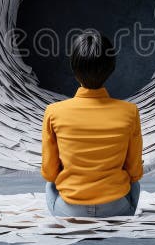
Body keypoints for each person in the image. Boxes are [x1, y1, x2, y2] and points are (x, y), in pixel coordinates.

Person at [41, 29, 143, 218]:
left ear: (74, 68)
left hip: (68, 210)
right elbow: (135, 172)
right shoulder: (130, 111)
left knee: (50, 184)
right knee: (134, 183)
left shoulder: (53, 112)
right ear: (111, 68)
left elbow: (49, 173)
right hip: (117, 209)